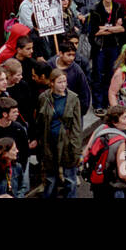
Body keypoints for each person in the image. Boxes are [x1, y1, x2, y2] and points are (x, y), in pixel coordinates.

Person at [36, 67, 83, 198]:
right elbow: (39, 122)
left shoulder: (73, 99)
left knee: (70, 178)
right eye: (59, 82)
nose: (63, 85)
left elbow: (77, 126)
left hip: (67, 142)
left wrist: (76, 147)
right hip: (49, 141)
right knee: (50, 177)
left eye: (64, 82)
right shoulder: (43, 98)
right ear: (51, 83)